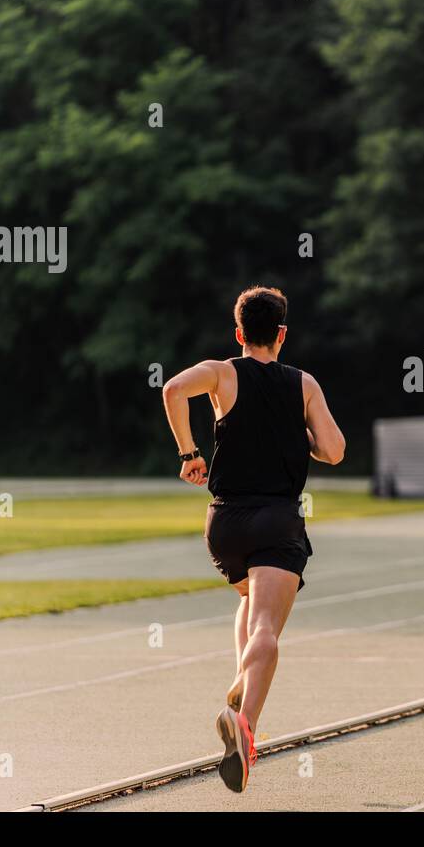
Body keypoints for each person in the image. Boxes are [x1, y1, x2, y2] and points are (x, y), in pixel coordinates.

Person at [161, 285, 345, 793]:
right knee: (267, 630)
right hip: (277, 520)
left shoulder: (221, 373)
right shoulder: (302, 383)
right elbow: (334, 450)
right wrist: (300, 432)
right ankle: (244, 724)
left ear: (240, 333)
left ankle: (242, 688)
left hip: (225, 524)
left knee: (248, 596)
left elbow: (173, 390)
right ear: (281, 334)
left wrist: (188, 454)